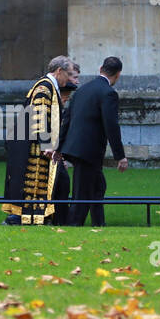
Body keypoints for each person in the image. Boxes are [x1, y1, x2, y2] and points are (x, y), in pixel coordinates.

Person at [2, 55, 77, 225]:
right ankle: (22, 217)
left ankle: (48, 217)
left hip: (37, 144)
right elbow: (40, 117)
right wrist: (47, 145)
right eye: (69, 74)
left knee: (54, 182)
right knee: (33, 184)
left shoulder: (48, 86)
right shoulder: (44, 87)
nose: (70, 79)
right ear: (59, 71)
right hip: (33, 146)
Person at [56, 57, 128, 227]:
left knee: (98, 187)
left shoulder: (82, 90)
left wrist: (60, 147)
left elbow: (67, 119)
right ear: (118, 75)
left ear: (100, 68)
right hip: (89, 151)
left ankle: (98, 223)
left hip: (76, 148)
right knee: (82, 192)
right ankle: (73, 224)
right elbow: (111, 126)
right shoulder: (108, 93)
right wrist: (120, 156)